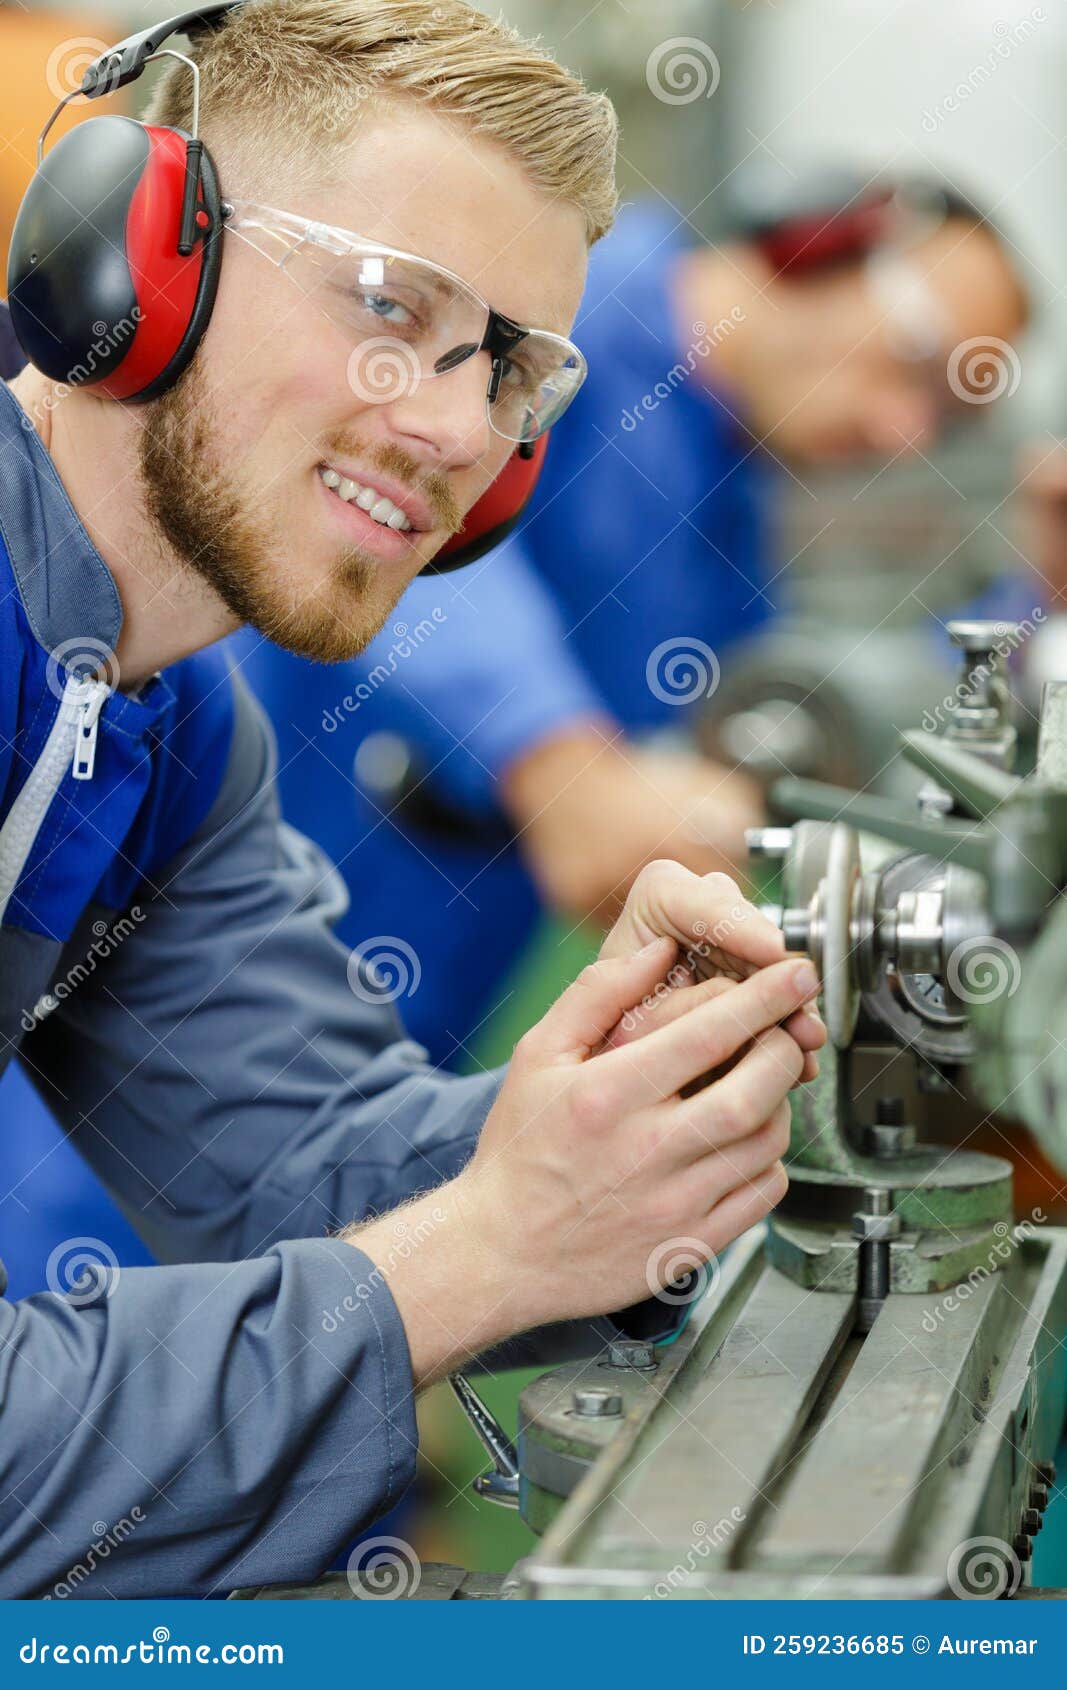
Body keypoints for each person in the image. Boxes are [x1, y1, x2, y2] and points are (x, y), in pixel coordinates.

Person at [0, 0, 824, 1598]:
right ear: (135, 263)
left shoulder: (165, 727)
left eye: (509, 367)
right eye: (391, 302)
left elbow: (297, 1164)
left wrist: (677, 1097)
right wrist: (483, 1250)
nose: (457, 430)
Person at [231, 171, 1030, 1064]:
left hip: (409, 1008)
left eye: (949, 419)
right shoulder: (566, 312)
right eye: (918, 362)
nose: (902, 432)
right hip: (223, 916)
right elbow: (396, 528)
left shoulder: (732, 484)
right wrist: (559, 762)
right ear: (817, 244)